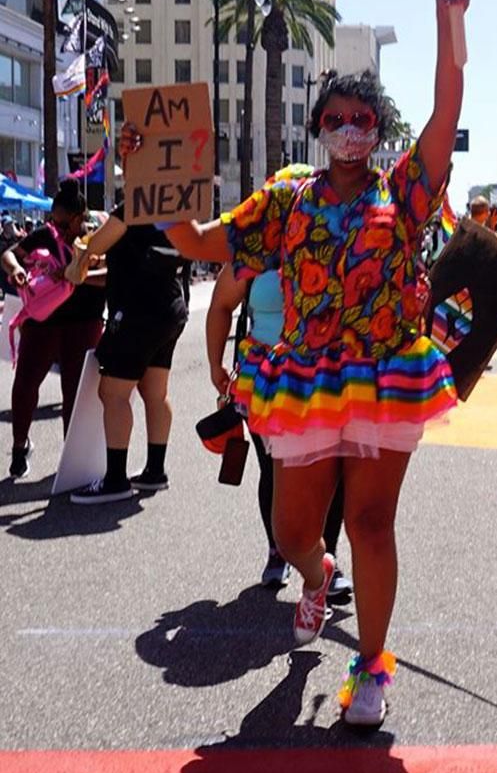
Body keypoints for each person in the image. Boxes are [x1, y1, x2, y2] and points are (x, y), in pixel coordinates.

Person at [157, 0, 469, 727]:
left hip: (385, 376)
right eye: (338, 116)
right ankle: (316, 574)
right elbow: (198, 240)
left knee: (371, 521)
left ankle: (370, 668)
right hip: (301, 378)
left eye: (364, 116)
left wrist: (446, 19)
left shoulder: (405, 191)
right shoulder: (287, 195)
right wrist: (154, 180)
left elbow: (447, 107)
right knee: (295, 530)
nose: (352, 127)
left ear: (378, 126)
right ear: (318, 124)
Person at [206, 261, 351, 598]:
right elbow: (221, 304)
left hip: (329, 374)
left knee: (333, 471)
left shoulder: (336, 231)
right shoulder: (256, 247)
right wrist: (216, 364)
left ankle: (326, 558)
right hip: (264, 380)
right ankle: (279, 551)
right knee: (273, 469)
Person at [64, 189, 190, 504]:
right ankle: (155, 471)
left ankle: (116, 480)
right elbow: (132, 252)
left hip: (136, 312)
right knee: (155, 393)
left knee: (113, 392)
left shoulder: (136, 205)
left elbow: (96, 244)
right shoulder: (175, 205)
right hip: (170, 307)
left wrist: (78, 261)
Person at [3, 180, 105, 478]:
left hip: (84, 324)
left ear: (78, 218)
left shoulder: (95, 239)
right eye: (53, 219)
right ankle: (20, 446)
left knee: (74, 393)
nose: (54, 226)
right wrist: (16, 270)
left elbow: (111, 275)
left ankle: (71, 460)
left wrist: (78, 275)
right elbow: (9, 254)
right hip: (42, 324)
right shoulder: (44, 236)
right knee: (24, 386)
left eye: (61, 221)